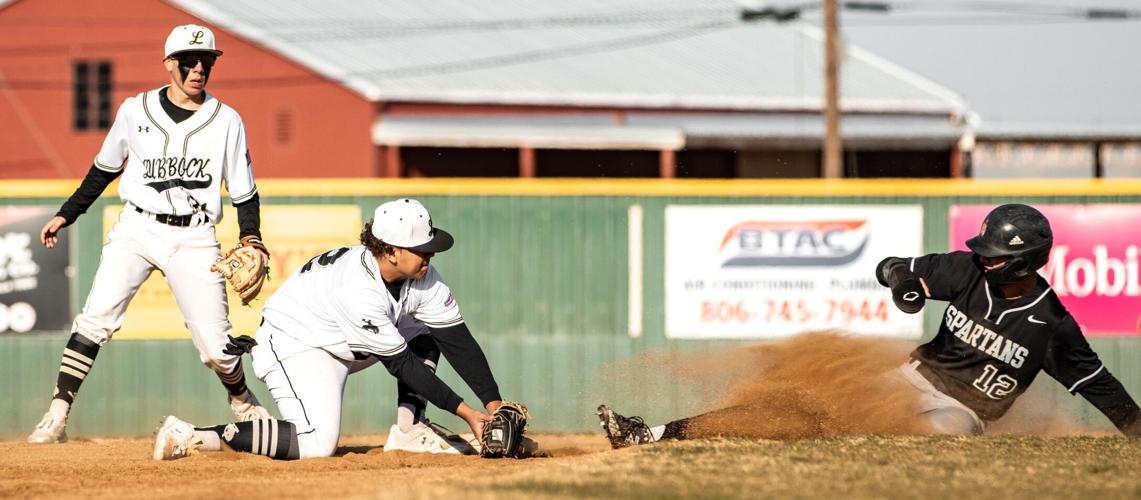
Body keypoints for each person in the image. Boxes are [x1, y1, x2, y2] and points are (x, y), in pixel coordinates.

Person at [597, 204, 1139, 447]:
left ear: (1023, 261)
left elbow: (1099, 386)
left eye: (994, 253)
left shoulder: (1051, 325)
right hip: (909, 379)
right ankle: (656, 433)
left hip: (962, 412)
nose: (984, 256)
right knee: (797, 404)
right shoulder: (966, 270)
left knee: (933, 441)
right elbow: (892, 267)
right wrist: (903, 283)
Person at [28, 24, 271, 444]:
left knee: (216, 348)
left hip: (195, 236)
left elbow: (244, 192)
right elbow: (104, 169)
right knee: (96, 318)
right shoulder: (134, 110)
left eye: (206, 61)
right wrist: (68, 213)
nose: (199, 69)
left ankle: (242, 399)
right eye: (189, 61)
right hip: (138, 228)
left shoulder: (227, 120)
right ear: (169, 64)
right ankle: (57, 414)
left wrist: (252, 236)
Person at [152, 198, 509, 460]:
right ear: (391, 251)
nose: (430, 255)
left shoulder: (422, 276)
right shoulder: (358, 288)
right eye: (421, 249)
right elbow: (402, 365)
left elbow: (456, 339)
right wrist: (468, 414)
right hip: (296, 345)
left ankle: (409, 429)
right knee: (317, 444)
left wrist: (493, 404)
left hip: (344, 343)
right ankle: (194, 435)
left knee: (427, 327)